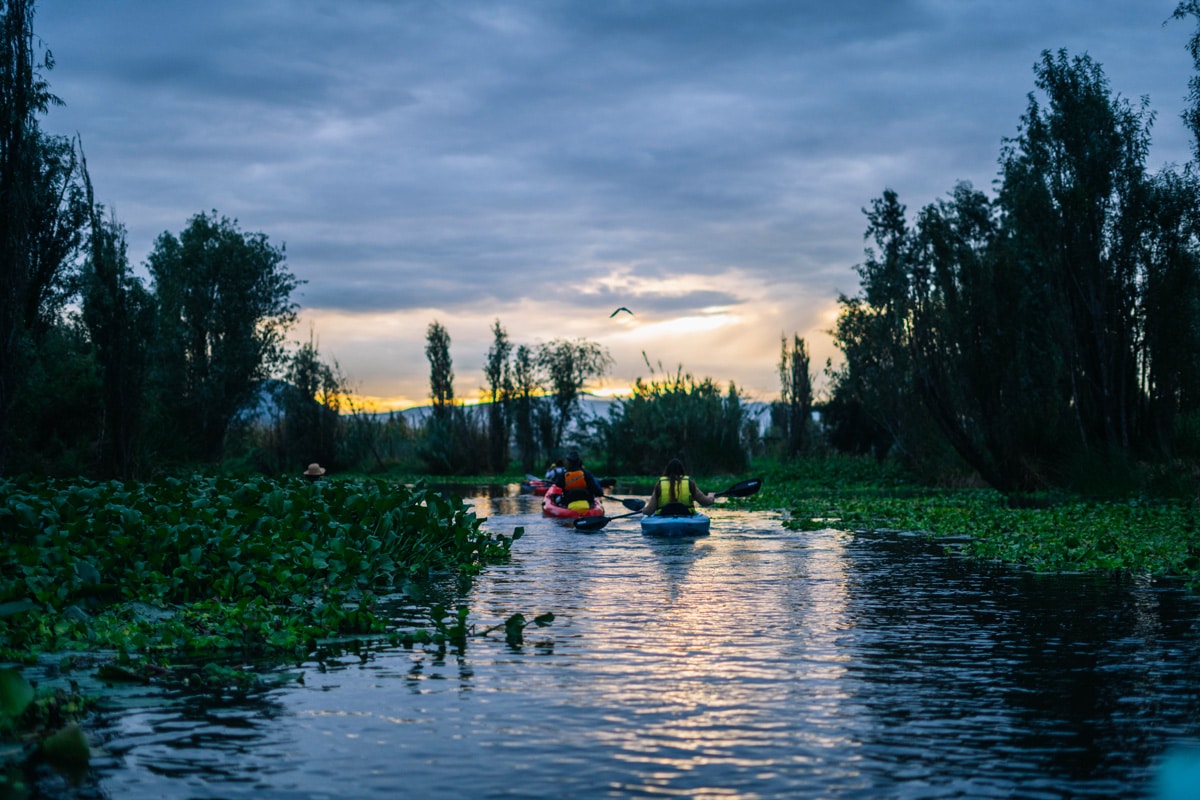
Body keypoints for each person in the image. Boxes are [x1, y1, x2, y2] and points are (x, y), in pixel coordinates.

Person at [642, 458, 715, 516]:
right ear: (682, 469)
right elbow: (706, 502)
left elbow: (649, 511)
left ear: (667, 470)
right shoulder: (689, 483)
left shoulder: (660, 484)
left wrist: (643, 510)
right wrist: (711, 496)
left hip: (664, 516)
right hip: (686, 516)